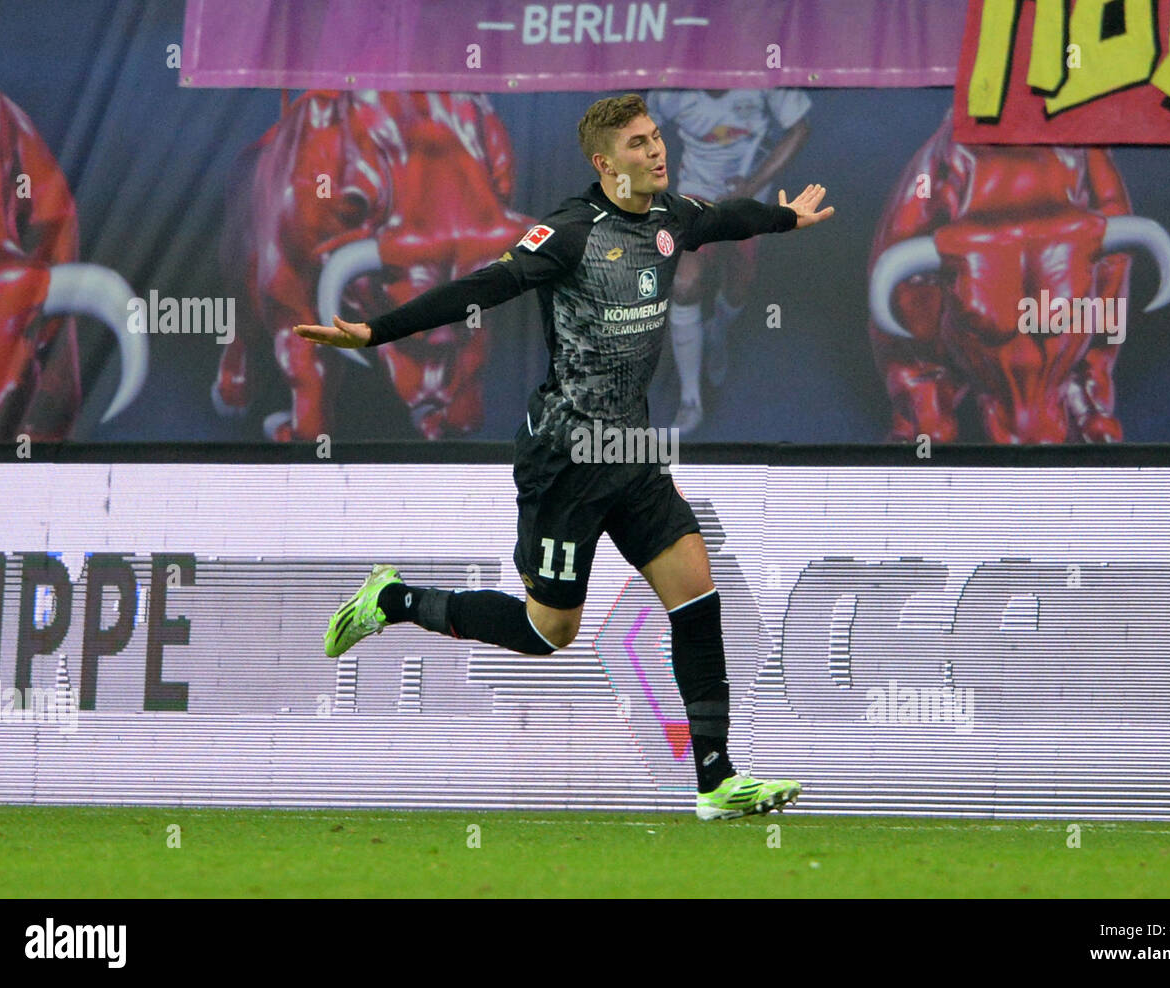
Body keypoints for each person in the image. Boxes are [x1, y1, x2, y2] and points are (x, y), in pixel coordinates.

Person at [295, 93, 834, 820]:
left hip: (630, 451)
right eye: (640, 144)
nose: (657, 150)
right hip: (565, 455)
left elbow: (725, 218)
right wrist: (374, 333)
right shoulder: (572, 233)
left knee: (697, 594)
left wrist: (784, 217)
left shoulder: (670, 218)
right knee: (549, 631)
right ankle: (391, 601)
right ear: (605, 163)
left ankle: (715, 780)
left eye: (655, 138)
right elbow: (480, 287)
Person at [648, 89, 812, 434]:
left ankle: (718, 331)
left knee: (737, 290)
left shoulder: (763, 75)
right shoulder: (670, 87)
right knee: (684, 283)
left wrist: (750, 187)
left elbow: (800, 129)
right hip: (697, 193)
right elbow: (636, 132)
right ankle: (690, 402)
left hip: (750, 197)